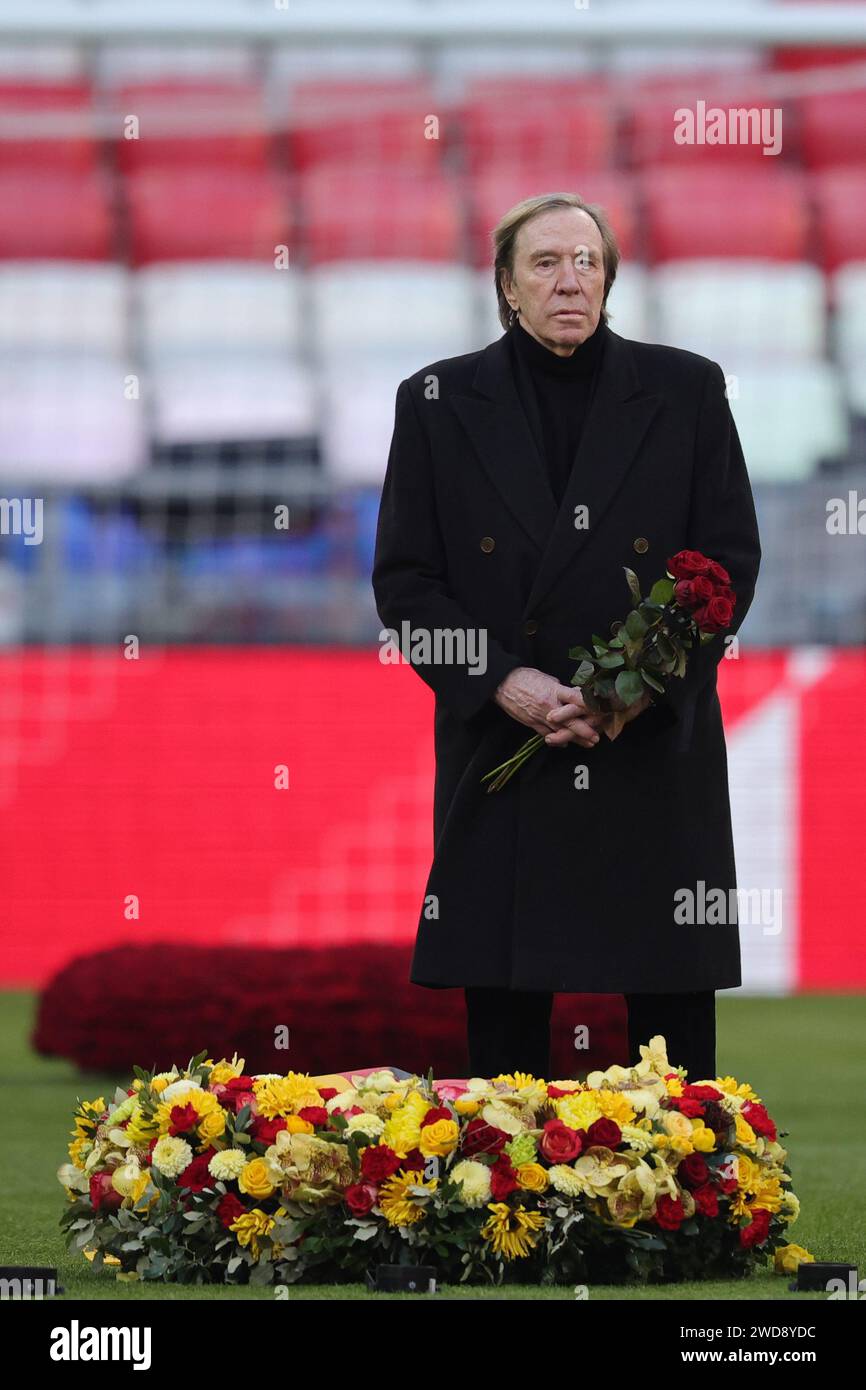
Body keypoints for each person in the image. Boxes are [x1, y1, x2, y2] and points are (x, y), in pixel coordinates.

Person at [372, 192, 761, 1084]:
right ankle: (502, 1211)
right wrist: (504, 683)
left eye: (587, 262)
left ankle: (681, 1212)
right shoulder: (435, 400)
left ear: (610, 280)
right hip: (505, 742)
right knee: (505, 1022)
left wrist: (633, 692)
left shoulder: (687, 388)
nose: (569, 281)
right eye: (545, 264)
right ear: (507, 286)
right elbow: (406, 583)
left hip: (650, 745)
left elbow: (727, 561)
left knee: (670, 1030)